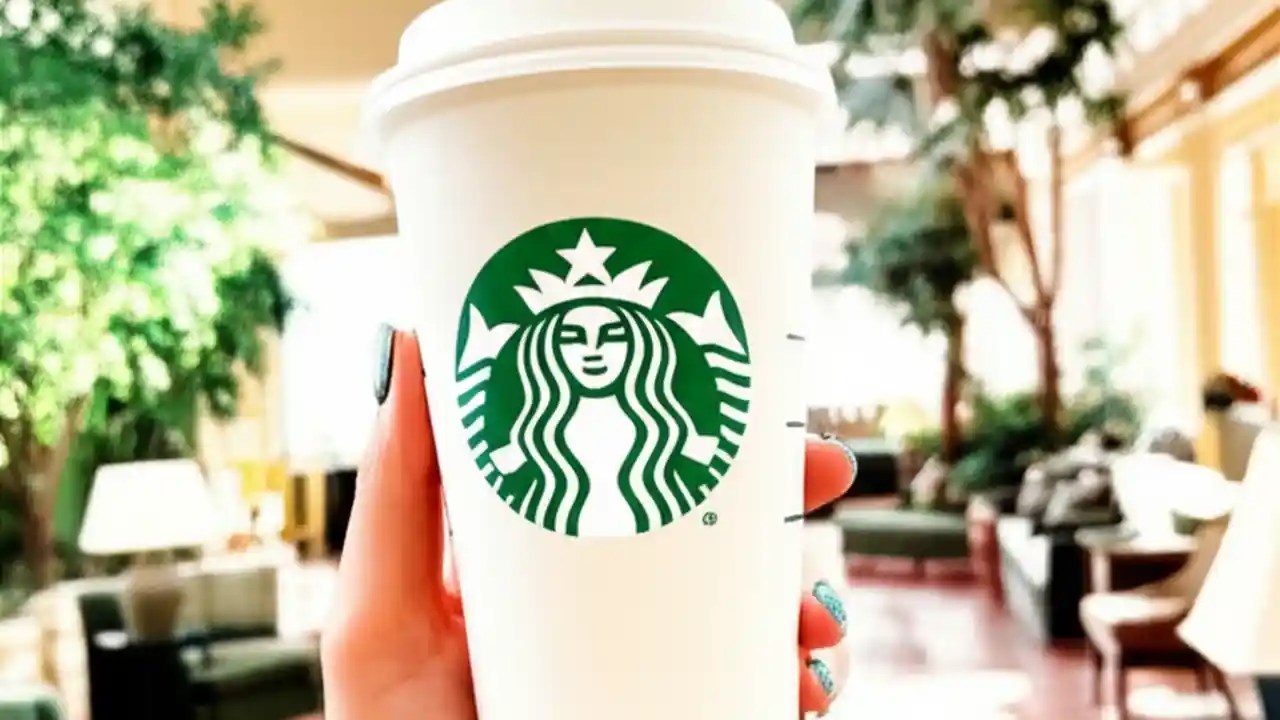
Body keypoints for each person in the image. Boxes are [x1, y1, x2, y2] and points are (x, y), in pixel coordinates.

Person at [321, 329, 854, 719]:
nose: (594, 351)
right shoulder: (535, 445)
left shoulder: (672, 443)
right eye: (573, 335)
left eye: (614, 336)